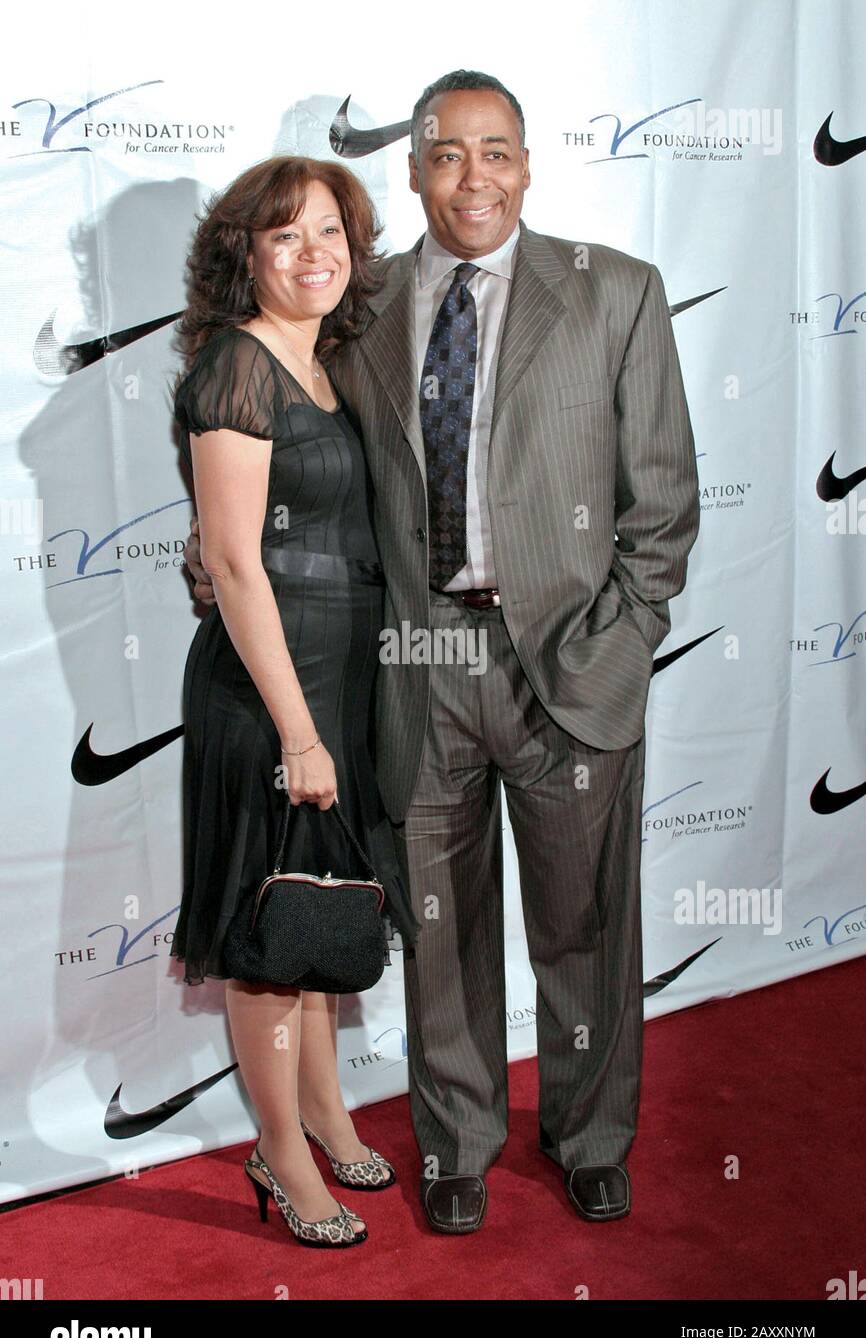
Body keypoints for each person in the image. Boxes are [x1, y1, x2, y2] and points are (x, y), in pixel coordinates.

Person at [185, 70, 700, 1235]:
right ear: (412, 169)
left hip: (569, 667)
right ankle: (456, 1139)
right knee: (439, 926)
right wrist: (213, 536)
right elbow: (282, 439)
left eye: (497, 151)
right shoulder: (359, 305)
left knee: (584, 923)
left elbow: (662, 504)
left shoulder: (614, 293)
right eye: (448, 154)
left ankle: (586, 1132)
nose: (475, 176)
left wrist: (618, 647)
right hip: (409, 667)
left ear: (528, 164)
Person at [172, 155, 421, 1248]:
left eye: (332, 232)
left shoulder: (327, 364)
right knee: (271, 937)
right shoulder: (234, 365)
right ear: (246, 255)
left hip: (342, 676)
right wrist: (299, 731)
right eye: (286, 235)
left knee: (316, 911)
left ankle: (323, 1110)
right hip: (269, 695)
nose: (314, 253)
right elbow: (233, 564)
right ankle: (277, 1156)